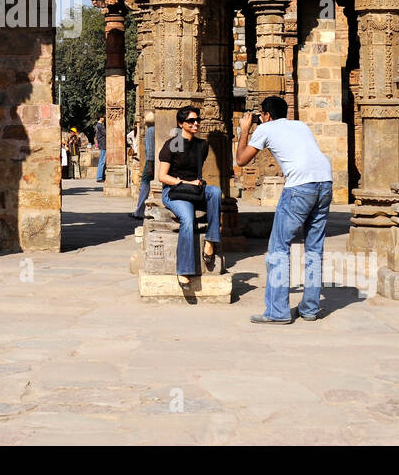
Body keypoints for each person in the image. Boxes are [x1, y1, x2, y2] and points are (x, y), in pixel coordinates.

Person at [235, 96, 334, 324]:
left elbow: (241, 160)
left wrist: (245, 130)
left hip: (300, 187)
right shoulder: (300, 125)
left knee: (279, 247)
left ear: (266, 115)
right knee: (314, 247)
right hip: (325, 182)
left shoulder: (266, 128)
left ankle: (277, 311)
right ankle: (309, 308)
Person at [156, 105, 222, 284]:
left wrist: (197, 182)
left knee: (215, 191)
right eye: (191, 121)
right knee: (188, 219)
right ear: (180, 123)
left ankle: (211, 240)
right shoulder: (171, 145)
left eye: (197, 120)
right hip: (174, 192)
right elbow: (162, 176)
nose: (196, 123)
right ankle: (184, 270)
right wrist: (186, 183)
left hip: (193, 190)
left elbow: (195, 173)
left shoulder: (202, 146)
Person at [130, 111, 156, 220]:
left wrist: (149, 164)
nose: (142, 120)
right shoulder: (154, 129)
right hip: (154, 161)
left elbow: (150, 149)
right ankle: (139, 210)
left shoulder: (150, 131)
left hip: (151, 162)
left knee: (145, 185)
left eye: (144, 118)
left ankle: (139, 211)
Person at [94, 115, 107, 183]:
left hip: (102, 144)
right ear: (100, 118)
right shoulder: (100, 126)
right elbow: (106, 133)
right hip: (103, 144)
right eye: (103, 117)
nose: (104, 118)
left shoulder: (98, 125)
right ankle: (99, 177)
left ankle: (101, 176)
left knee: (102, 161)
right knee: (102, 161)